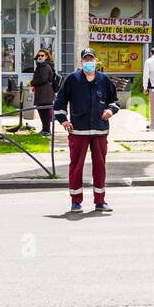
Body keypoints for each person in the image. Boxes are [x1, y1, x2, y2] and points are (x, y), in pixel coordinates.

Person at [53, 47, 120, 213]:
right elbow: (59, 102)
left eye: (91, 59)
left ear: (96, 61)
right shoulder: (72, 80)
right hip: (78, 131)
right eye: (86, 59)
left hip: (99, 131)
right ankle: (76, 201)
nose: (89, 62)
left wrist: (110, 110)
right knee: (76, 166)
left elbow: (115, 101)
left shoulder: (104, 80)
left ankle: (100, 201)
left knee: (100, 166)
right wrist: (63, 120)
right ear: (81, 62)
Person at [29, 48, 57, 135]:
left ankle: (47, 130)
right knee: (42, 112)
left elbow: (43, 79)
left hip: (45, 93)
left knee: (44, 112)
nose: (40, 57)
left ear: (46, 57)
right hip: (42, 92)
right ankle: (45, 129)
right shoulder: (41, 66)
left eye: (42, 55)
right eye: (39, 55)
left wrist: (32, 82)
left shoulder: (44, 66)